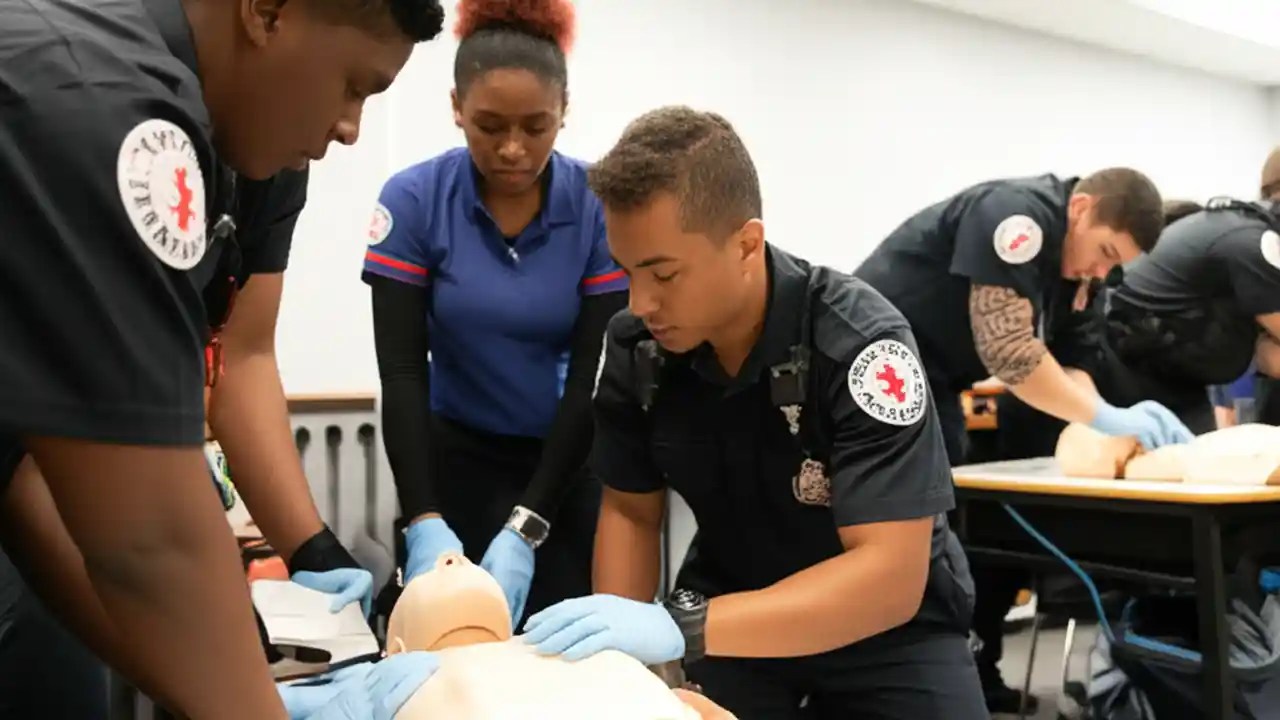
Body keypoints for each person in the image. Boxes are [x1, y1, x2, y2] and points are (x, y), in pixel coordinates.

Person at [0, 0, 446, 716]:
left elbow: (22, 473)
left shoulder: (236, 138)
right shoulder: (113, 116)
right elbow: (149, 541)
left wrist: (227, 682)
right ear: (267, 12)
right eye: (354, 86)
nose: (351, 128)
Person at [520, 106, 988, 719]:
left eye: (663, 273)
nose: (641, 302)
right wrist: (626, 664)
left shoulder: (862, 347)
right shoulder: (640, 351)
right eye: (627, 271)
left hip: (889, 632)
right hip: (737, 610)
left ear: (746, 244)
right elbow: (631, 512)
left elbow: (889, 579)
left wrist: (680, 627)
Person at [362, 0, 627, 629]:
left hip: (562, 464)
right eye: (488, 125)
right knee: (448, 648)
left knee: (560, 656)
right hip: (453, 466)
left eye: (536, 127)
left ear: (565, 112)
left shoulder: (596, 207)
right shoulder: (415, 200)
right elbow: (402, 372)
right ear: (456, 107)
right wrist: (424, 519)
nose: (512, 149)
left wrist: (530, 523)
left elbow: (592, 376)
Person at [852, 169, 1192, 467]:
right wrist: (1103, 417)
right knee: (907, 490)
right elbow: (1009, 351)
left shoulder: (1084, 273)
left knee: (943, 478)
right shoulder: (1016, 218)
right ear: (1080, 208)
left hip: (933, 376)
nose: (1101, 271)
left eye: (1115, 265)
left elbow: (1073, 360)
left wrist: (1099, 415)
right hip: (871, 357)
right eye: (1105, 252)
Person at [1097, 189, 1280, 435]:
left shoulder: (1235, 226)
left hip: (1176, 373)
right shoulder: (1251, 243)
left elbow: (1268, 356)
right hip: (1135, 367)